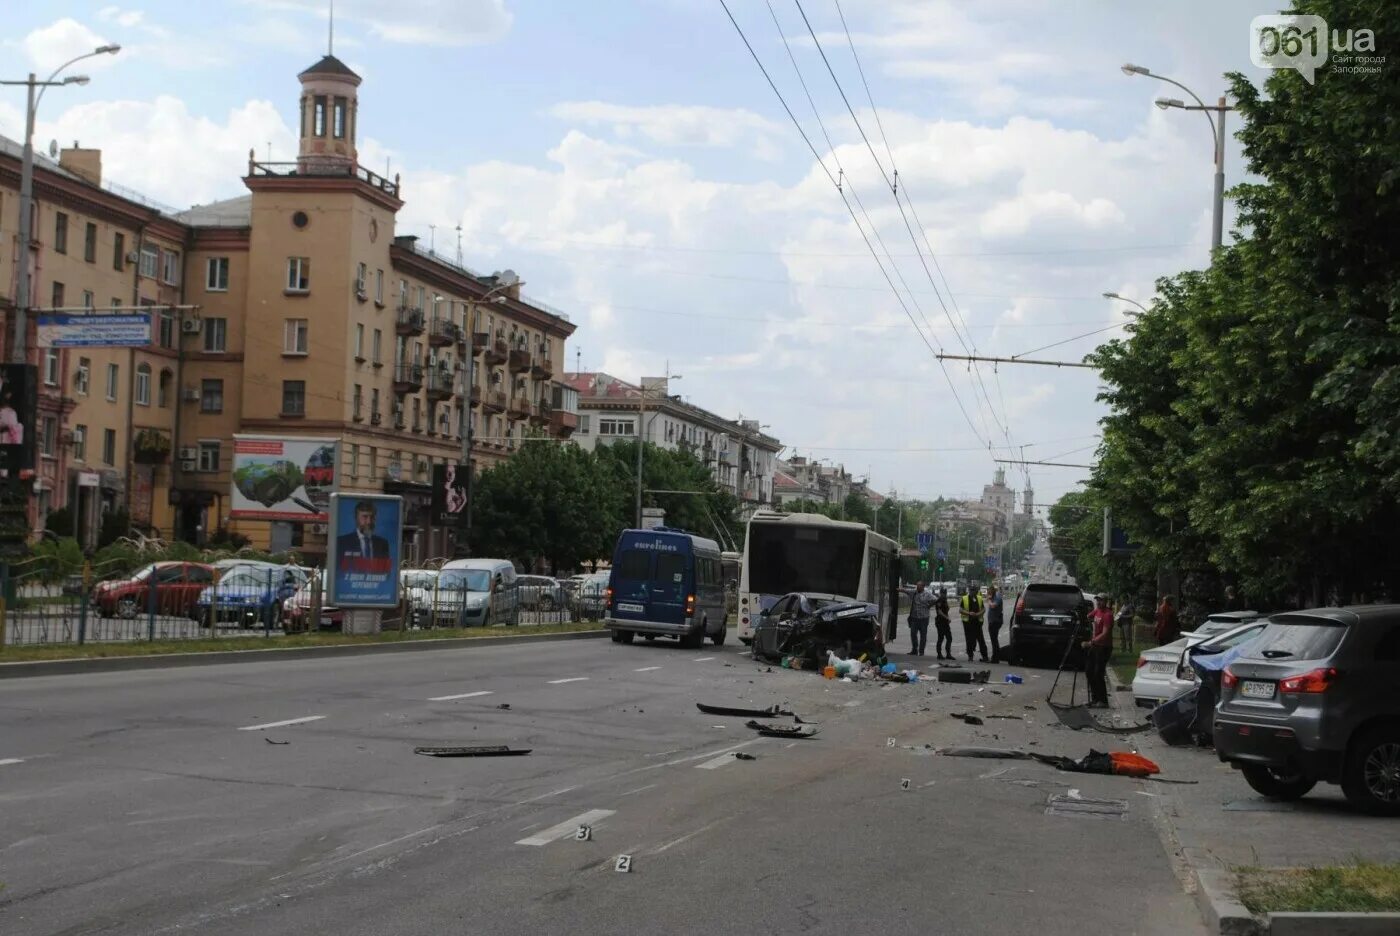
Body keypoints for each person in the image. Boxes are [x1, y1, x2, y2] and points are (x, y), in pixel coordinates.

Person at [1083, 594, 1114, 708]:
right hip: (1095, 646)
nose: (1098, 602)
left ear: (1105, 601)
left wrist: (1091, 642)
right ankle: (1095, 699)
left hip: (1103, 647)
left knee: (1098, 673)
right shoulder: (1097, 612)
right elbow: (1087, 616)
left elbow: (1105, 634)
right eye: (1097, 600)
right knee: (1089, 671)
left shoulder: (1108, 615)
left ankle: (1103, 700)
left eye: (1101, 601)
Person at [336, 499, 390, 563]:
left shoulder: (382, 544)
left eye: (372, 517)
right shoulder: (342, 542)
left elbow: (385, 569)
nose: (369, 522)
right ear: (356, 518)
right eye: (365, 517)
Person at [960, 587, 988, 662]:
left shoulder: (979, 598)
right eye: (971, 591)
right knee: (969, 639)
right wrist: (969, 613)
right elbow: (961, 610)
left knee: (980, 639)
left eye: (974, 591)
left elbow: (983, 609)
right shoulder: (964, 598)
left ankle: (985, 656)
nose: (973, 593)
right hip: (967, 622)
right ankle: (970, 656)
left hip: (977, 622)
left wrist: (978, 614)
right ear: (969, 591)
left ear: (976, 592)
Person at [907, 581, 933, 656]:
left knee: (923, 635)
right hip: (914, 618)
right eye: (917, 585)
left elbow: (935, 599)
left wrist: (929, 605)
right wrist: (899, 589)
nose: (917, 587)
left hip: (924, 618)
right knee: (913, 634)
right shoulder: (914, 592)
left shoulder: (927, 594)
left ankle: (921, 651)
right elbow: (905, 591)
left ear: (923, 587)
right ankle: (914, 649)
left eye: (919, 586)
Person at [986, 584, 1005, 663]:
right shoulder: (994, 596)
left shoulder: (997, 597)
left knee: (994, 640)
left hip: (995, 621)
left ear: (992, 591)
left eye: (989, 593)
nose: (988, 595)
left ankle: (996, 658)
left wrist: (989, 600)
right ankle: (995, 656)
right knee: (994, 639)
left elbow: (993, 606)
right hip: (993, 621)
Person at [933, 587, 953, 660]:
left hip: (945, 622)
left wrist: (947, 618)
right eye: (943, 593)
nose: (944, 595)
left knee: (949, 638)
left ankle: (948, 654)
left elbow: (946, 610)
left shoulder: (945, 600)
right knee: (940, 638)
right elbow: (940, 612)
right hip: (940, 621)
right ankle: (939, 654)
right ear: (940, 593)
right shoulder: (939, 600)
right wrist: (947, 618)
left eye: (945, 593)